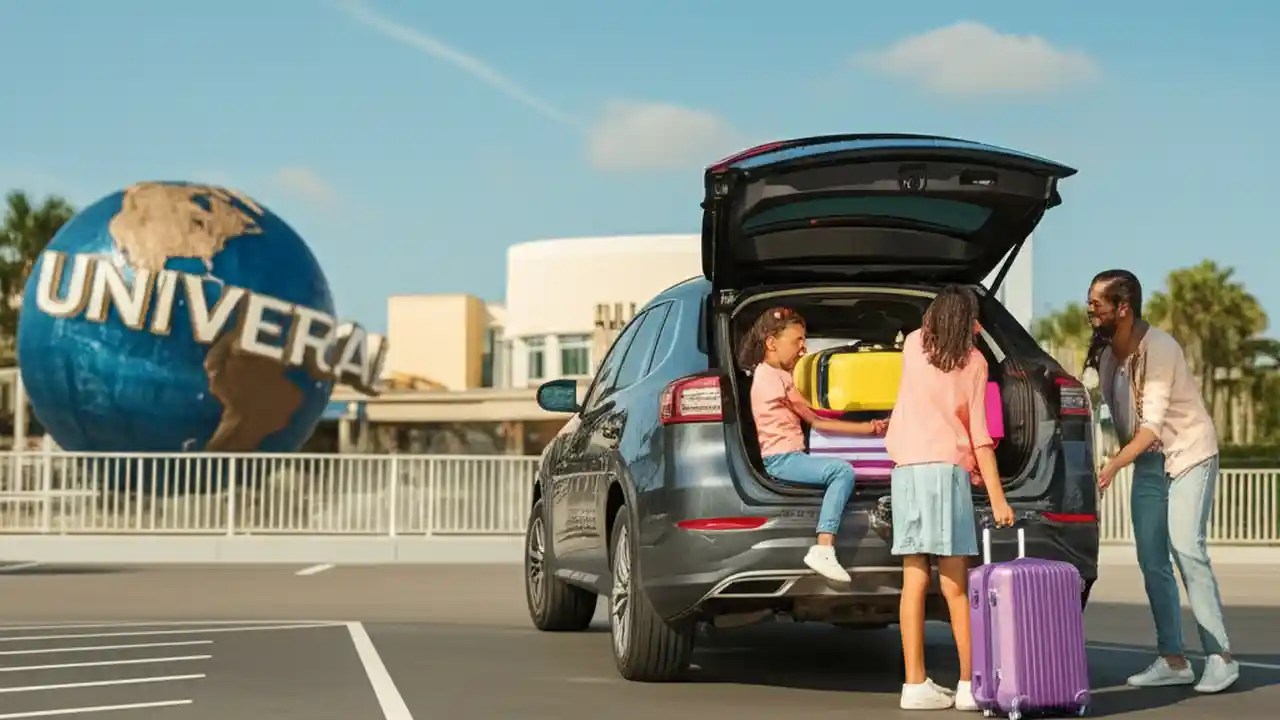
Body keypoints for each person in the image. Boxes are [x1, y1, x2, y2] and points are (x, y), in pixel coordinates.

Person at [1086, 269, 1238, 694]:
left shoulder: (1161, 348)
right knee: (1152, 559)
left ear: (1123, 308)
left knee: (1186, 547)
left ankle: (1221, 657)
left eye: (1097, 304)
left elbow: (1151, 426)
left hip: (1189, 453)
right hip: (1150, 464)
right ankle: (1173, 659)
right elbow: (1109, 414)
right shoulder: (1106, 356)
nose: (1090, 311)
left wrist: (1114, 465)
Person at [882, 286, 1014, 711]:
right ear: (970, 322)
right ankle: (967, 684)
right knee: (955, 585)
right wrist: (998, 500)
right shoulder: (975, 364)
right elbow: (981, 436)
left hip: (906, 473)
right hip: (946, 472)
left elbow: (923, 331)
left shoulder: (914, 346)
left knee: (914, 580)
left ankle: (914, 683)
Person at [739, 306, 887, 583]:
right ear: (772, 343)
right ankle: (824, 546)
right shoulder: (774, 379)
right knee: (840, 471)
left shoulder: (771, 375)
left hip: (787, 457)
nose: (803, 349)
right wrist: (867, 427)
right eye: (797, 341)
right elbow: (818, 420)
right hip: (782, 460)